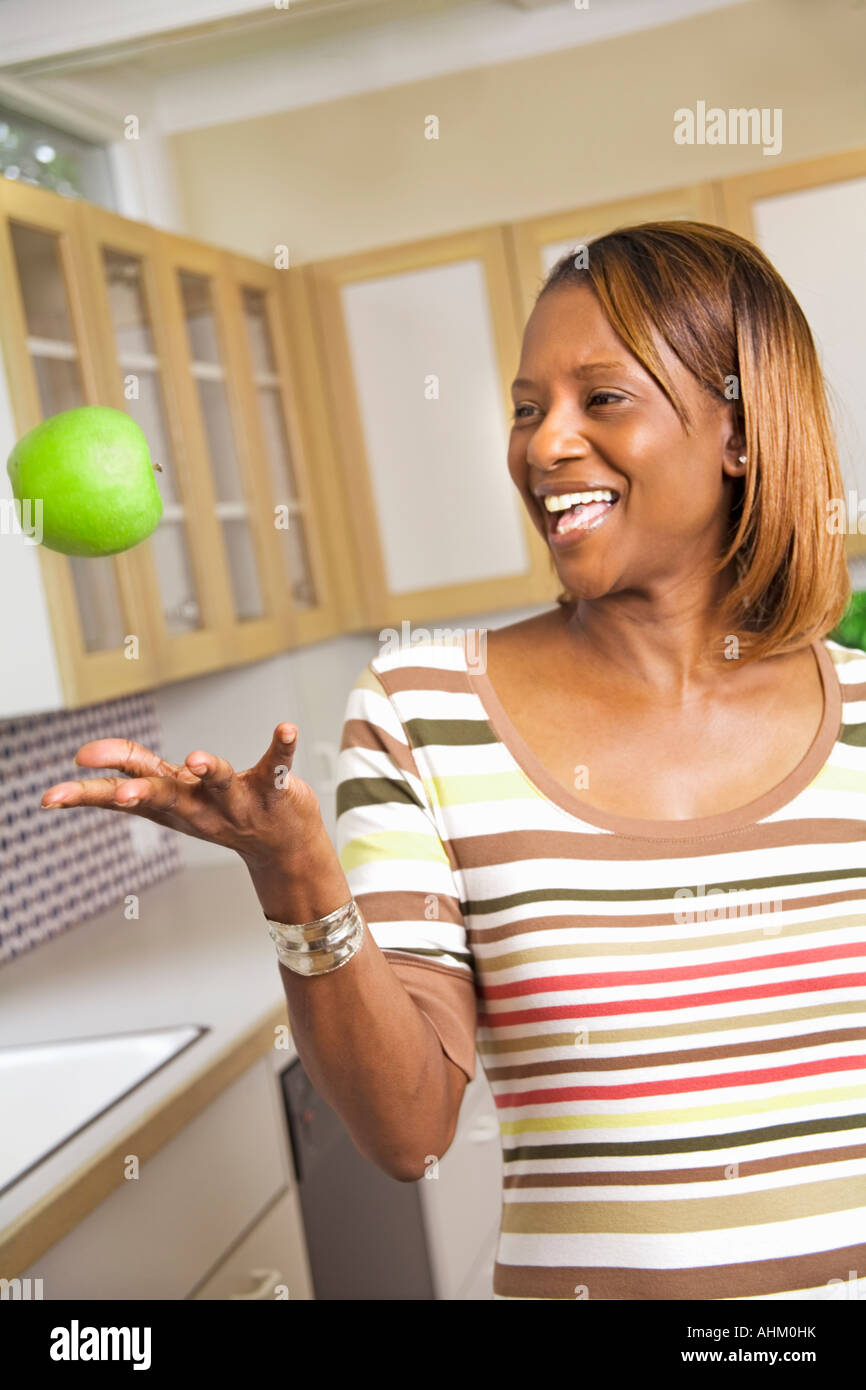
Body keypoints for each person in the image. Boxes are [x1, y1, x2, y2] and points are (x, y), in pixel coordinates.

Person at [43, 221, 866, 1301]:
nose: (541, 445)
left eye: (599, 399)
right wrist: (294, 873)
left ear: (738, 433)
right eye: (526, 409)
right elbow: (408, 1132)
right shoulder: (422, 709)